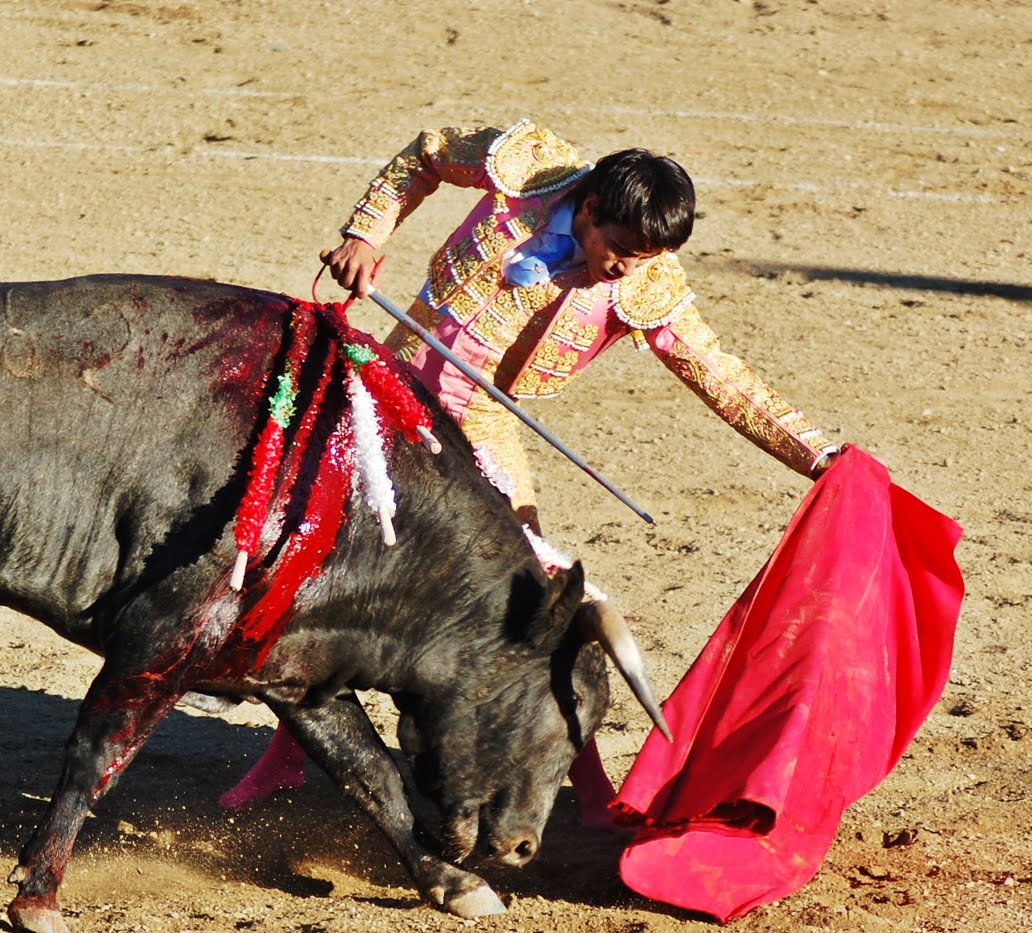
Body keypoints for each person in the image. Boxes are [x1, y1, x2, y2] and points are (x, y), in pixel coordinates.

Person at [219, 117, 840, 812]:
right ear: (593, 208)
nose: (628, 268)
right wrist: (366, 234)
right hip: (385, 387)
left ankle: (588, 778)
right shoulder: (527, 168)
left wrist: (820, 457)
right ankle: (284, 757)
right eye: (623, 251)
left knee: (537, 600)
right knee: (309, 561)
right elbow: (426, 154)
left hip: (481, 427)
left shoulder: (645, 287)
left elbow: (722, 377)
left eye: (645, 258)